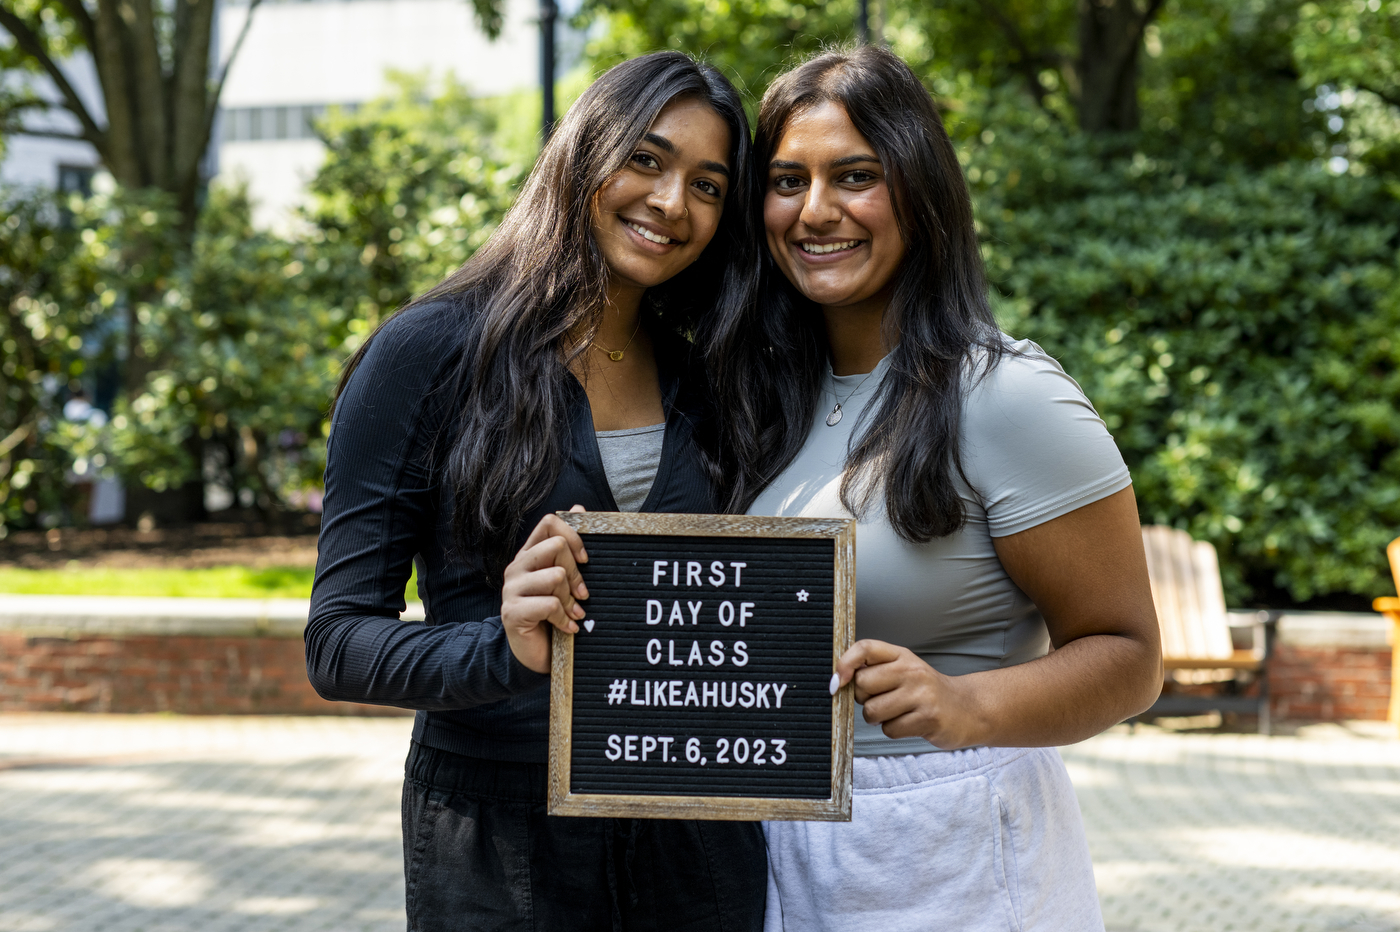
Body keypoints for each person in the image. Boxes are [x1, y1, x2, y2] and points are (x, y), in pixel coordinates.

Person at [305, 51, 767, 931]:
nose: (673, 203)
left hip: (697, 843)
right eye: (646, 159)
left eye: (709, 186)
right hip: (501, 844)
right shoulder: (428, 352)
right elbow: (338, 643)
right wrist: (504, 646)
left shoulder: (709, 378)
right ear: (584, 154)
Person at [714, 46, 1163, 931]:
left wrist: (965, 704)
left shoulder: (1008, 395)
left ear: (919, 190)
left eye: (856, 176)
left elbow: (1130, 657)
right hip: (775, 846)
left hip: (950, 852)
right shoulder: (756, 399)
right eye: (786, 180)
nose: (815, 211)